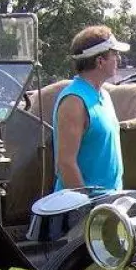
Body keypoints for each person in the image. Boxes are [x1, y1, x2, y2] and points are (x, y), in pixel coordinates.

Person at [53, 25, 129, 191]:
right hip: (85, 209)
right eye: (114, 54)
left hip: (107, 205)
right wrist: (87, 210)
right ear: (99, 61)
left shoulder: (104, 95)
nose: (119, 59)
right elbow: (66, 164)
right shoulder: (74, 101)